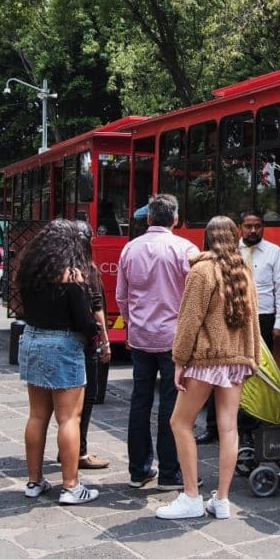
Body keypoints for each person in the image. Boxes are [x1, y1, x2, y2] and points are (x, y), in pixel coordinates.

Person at [155, 216, 261, 520]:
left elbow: (188, 323)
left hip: (205, 360)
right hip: (235, 362)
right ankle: (222, 501)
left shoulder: (201, 271)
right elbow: (253, 322)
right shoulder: (243, 270)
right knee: (229, 428)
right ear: (235, 237)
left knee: (180, 423)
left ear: (207, 238)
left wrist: (179, 361)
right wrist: (250, 359)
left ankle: (190, 496)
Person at [14, 219, 102, 504]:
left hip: (32, 340)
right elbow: (84, 321)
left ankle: (34, 480)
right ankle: (71, 486)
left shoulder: (31, 272)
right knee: (69, 418)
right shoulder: (72, 275)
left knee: (37, 415)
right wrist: (96, 334)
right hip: (63, 345)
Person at [115, 194, 199, 490]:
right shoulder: (185, 249)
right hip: (175, 338)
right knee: (172, 404)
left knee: (140, 400)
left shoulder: (130, 249)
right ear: (176, 219)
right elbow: (195, 298)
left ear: (148, 218)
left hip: (140, 337)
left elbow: (121, 297)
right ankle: (169, 472)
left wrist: (132, 322)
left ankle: (138, 470)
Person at [197, 208, 280, 444]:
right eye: (248, 226)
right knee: (218, 370)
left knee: (253, 373)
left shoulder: (274, 252)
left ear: (263, 227)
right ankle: (212, 427)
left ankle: (249, 426)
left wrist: (279, 322)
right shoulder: (229, 252)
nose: (253, 230)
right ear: (240, 227)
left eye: (257, 226)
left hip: (262, 318)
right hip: (232, 317)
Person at [74, 220, 113, 470]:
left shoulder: (50, 268)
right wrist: (106, 342)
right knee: (85, 401)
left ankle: (67, 449)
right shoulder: (87, 270)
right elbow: (97, 310)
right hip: (84, 343)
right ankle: (79, 452)